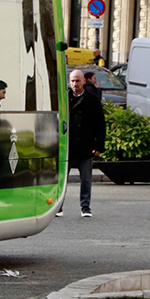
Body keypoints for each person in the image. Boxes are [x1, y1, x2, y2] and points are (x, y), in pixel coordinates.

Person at [64, 68, 107, 217]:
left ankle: (85, 206)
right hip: (67, 145)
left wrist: (99, 146)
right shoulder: (64, 98)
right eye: (72, 81)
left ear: (83, 81)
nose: (75, 84)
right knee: (62, 178)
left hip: (85, 144)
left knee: (86, 179)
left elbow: (100, 124)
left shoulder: (92, 99)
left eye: (77, 81)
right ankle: (58, 206)